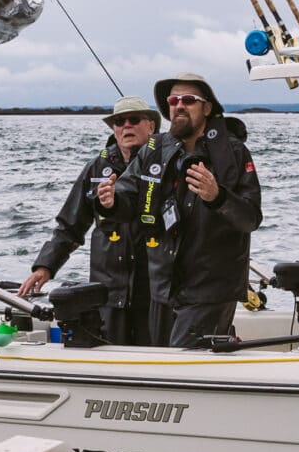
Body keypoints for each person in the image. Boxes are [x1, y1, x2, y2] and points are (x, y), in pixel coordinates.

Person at [97, 73, 261, 347]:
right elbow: (128, 197)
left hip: (210, 289)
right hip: (163, 288)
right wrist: (111, 201)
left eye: (189, 100)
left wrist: (217, 196)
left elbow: (251, 218)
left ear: (207, 108)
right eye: (173, 100)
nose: (179, 106)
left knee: (183, 364)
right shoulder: (155, 147)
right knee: (162, 366)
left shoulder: (232, 152)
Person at [19, 95, 161, 344]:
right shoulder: (96, 168)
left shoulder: (166, 164)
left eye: (134, 119)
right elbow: (69, 226)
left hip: (155, 292)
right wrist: (45, 266)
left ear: (151, 126)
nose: (126, 125)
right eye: (118, 122)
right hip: (108, 292)